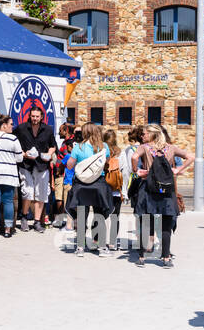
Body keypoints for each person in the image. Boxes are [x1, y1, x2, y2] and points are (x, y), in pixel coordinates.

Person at [131, 124, 190, 266]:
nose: (142, 136)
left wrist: (136, 170)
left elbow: (134, 157)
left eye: (144, 134)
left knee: (145, 221)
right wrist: (177, 170)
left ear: (152, 134)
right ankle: (166, 258)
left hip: (148, 188)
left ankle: (141, 257)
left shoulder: (144, 147)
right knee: (166, 224)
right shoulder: (171, 148)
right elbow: (191, 157)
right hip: (165, 189)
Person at [65, 123, 112, 255]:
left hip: (81, 185)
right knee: (99, 215)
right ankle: (101, 246)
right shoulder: (104, 147)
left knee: (81, 215)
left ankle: (80, 247)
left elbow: (69, 166)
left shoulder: (78, 147)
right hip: (98, 184)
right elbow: (107, 163)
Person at [14, 106, 55, 232]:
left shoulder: (47, 130)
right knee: (27, 192)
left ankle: (37, 221)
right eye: (33, 116)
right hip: (26, 164)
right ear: (29, 116)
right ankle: (25, 218)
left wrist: (49, 154)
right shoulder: (21, 128)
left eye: (37, 116)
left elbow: (53, 146)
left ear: (41, 117)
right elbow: (14, 144)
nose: (35, 119)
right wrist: (23, 153)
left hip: (42, 165)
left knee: (41, 194)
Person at [101, 128, 124, 249]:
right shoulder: (121, 153)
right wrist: (124, 191)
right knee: (115, 216)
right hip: (116, 189)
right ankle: (112, 242)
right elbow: (125, 173)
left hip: (103, 189)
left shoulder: (101, 151)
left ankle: (100, 239)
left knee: (101, 214)